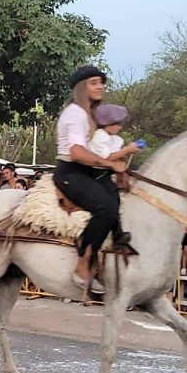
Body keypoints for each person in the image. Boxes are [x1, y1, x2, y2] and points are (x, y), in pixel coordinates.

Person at [53, 66, 129, 294]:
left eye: (101, 82)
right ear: (81, 87)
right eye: (94, 82)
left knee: (116, 199)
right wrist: (110, 164)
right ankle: (83, 264)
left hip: (90, 170)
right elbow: (77, 153)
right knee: (104, 208)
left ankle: (116, 244)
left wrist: (118, 168)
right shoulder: (75, 114)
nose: (100, 86)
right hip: (71, 171)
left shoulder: (92, 114)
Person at [88, 103, 141, 246]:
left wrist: (126, 152)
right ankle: (115, 233)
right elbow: (105, 157)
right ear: (108, 123)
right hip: (96, 173)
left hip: (106, 173)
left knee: (115, 197)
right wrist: (127, 151)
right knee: (111, 199)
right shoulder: (99, 137)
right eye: (117, 123)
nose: (120, 126)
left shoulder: (113, 139)